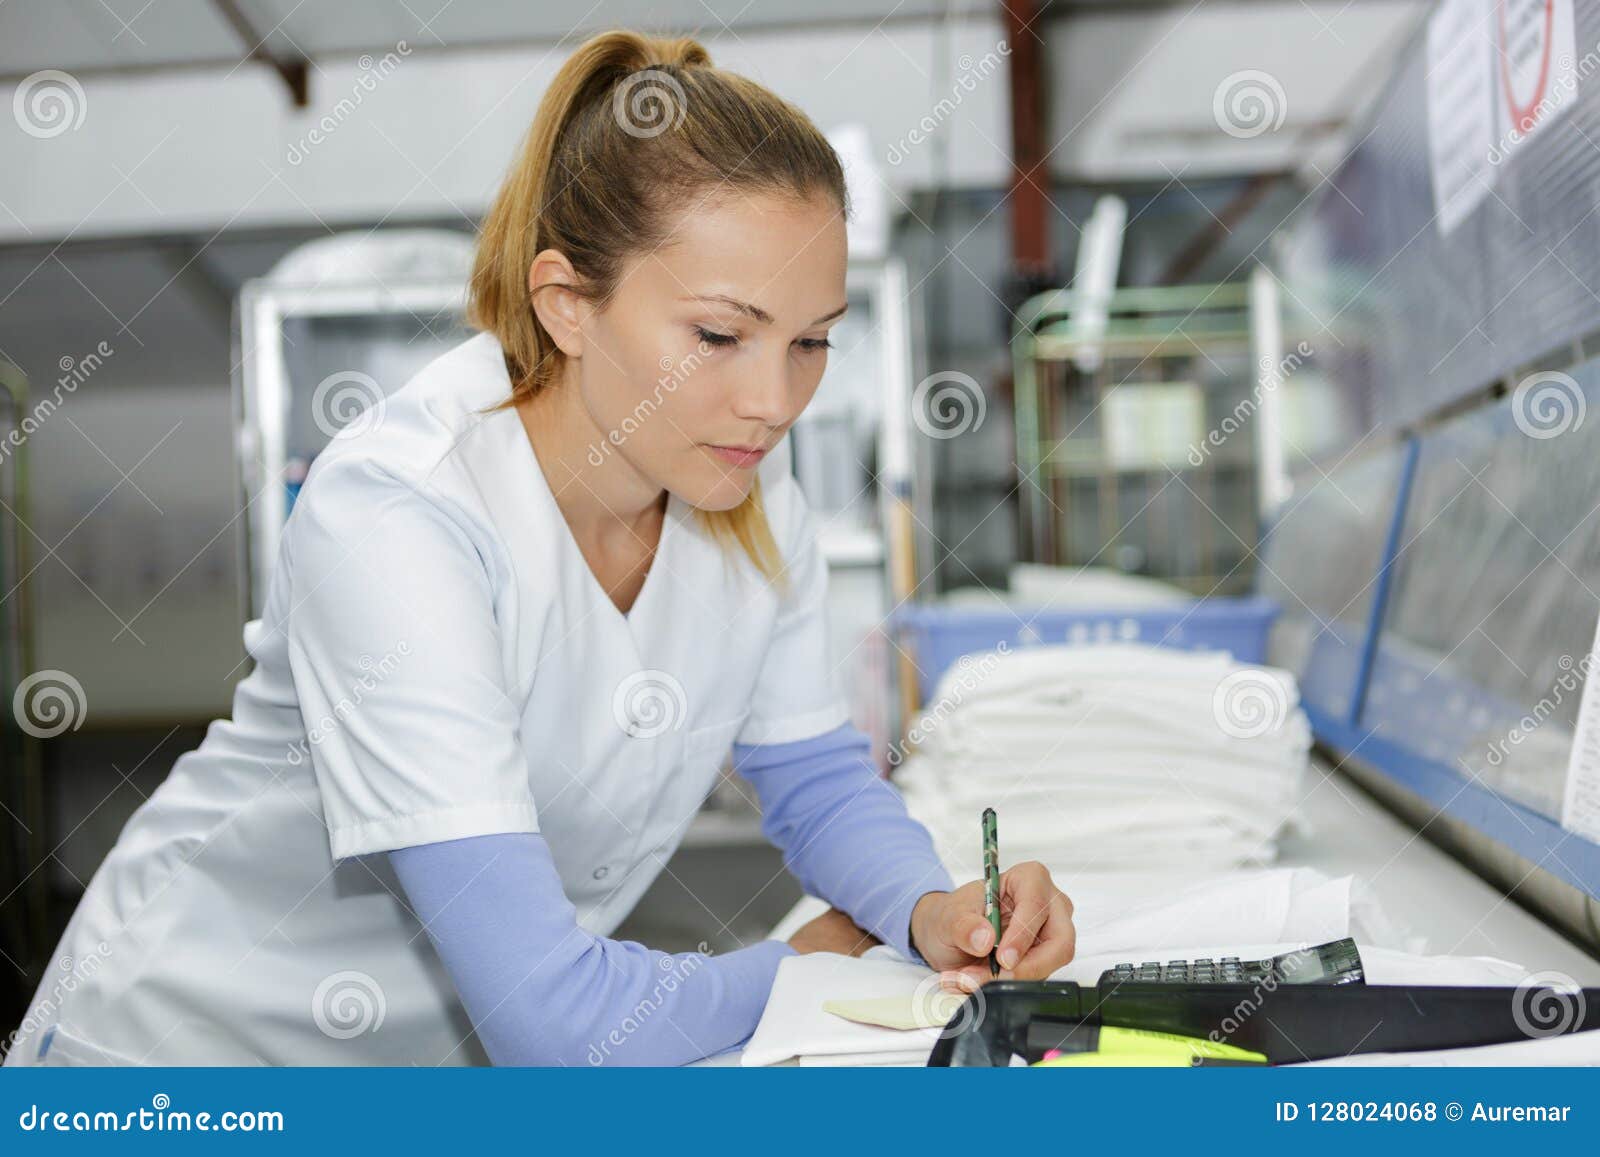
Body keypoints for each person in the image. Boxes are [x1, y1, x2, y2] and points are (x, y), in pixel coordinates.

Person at [3, 29, 1075, 1069]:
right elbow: (555, 1023)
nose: (774, 399)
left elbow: (812, 775)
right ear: (566, 304)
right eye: (718, 335)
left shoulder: (750, 490)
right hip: (179, 1064)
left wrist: (932, 911)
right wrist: (808, 965)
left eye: (811, 340)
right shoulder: (401, 513)